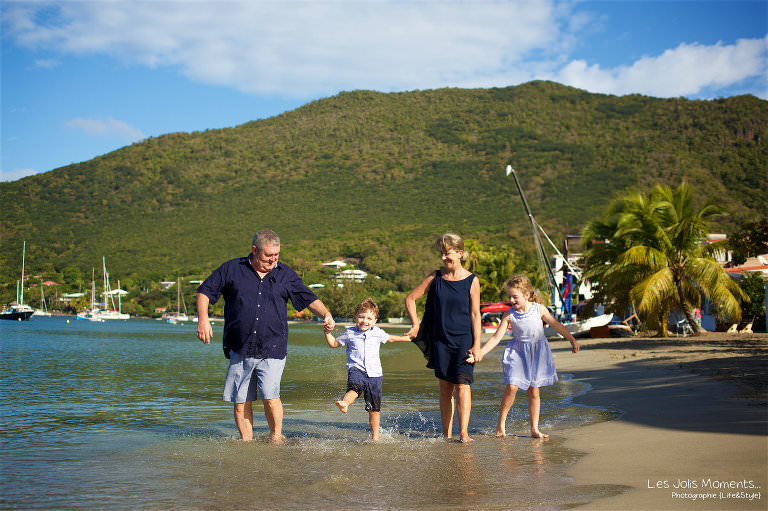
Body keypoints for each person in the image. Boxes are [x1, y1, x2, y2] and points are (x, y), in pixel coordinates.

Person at [196, 229, 335, 443]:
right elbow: (205, 291)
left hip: (273, 346)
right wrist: (203, 319)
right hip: (240, 347)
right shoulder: (232, 269)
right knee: (241, 401)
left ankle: (276, 439)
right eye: (268, 255)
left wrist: (326, 314)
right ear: (254, 250)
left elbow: (308, 298)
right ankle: (246, 444)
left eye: (276, 255)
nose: (273, 259)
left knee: (270, 397)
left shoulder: (285, 274)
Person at [474, 275, 579, 438]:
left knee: (534, 390)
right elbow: (496, 337)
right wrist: (481, 352)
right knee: (512, 386)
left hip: (537, 353)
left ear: (526, 295)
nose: (511, 300)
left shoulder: (539, 309)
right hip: (517, 353)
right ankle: (501, 424)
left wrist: (571, 339)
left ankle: (534, 428)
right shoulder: (509, 314)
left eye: (515, 297)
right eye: (509, 296)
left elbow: (555, 324)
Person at [405, 233, 481, 443]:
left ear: (460, 253)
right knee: (446, 387)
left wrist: (477, 345)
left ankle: (463, 433)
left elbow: (476, 315)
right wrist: (415, 324)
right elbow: (410, 299)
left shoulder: (472, 281)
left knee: (463, 385)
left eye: (447, 253)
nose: (443, 258)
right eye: (441, 253)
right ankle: (446, 434)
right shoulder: (435, 277)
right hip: (440, 340)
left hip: (464, 340)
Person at [324, 297, 411, 441]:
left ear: (375, 321)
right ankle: (345, 403)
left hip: (375, 374)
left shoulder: (377, 332)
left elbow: (390, 338)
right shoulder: (349, 333)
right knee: (354, 387)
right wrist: (327, 333)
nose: (365, 321)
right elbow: (334, 344)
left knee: (374, 409)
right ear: (355, 318)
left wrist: (406, 338)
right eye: (361, 317)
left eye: (369, 318)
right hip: (356, 369)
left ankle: (375, 438)